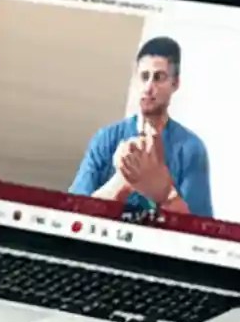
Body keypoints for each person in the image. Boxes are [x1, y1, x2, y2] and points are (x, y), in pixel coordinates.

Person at [68, 36, 213, 219]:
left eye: (159, 78)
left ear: (175, 83)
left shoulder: (191, 148)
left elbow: (201, 229)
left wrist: (166, 194)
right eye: (144, 77)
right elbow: (71, 212)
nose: (148, 87)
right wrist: (123, 181)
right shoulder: (105, 138)